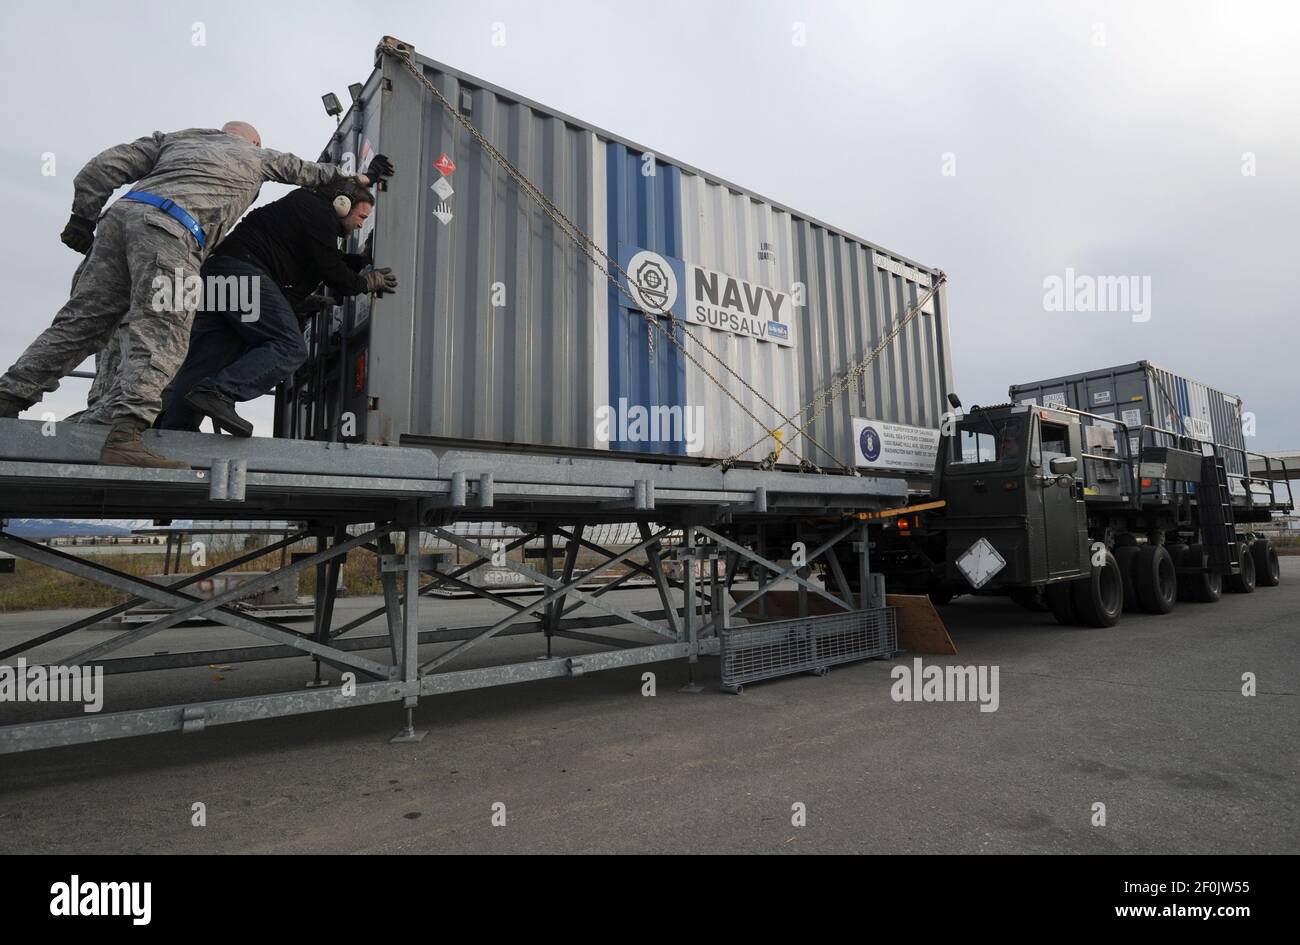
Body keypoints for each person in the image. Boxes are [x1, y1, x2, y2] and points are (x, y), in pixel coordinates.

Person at [0, 122, 382, 468]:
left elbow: (101, 167)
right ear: (254, 142)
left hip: (117, 222)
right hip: (174, 233)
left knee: (79, 326)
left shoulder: (172, 140)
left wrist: (81, 219)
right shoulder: (257, 156)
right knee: (163, 334)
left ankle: (9, 398)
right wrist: (363, 177)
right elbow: (312, 173)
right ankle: (125, 435)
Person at [158, 169, 397, 435]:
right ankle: (219, 392)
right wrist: (366, 282)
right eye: (362, 217)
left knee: (208, 358)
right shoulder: (317, 209)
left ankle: (175, 429)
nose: (361, 225)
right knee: (289, 347)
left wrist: (360, 261)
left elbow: (320, 262)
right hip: (242, 272)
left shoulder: (307, 213)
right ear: (343, 204)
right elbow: (330, 268)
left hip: (220, 277)